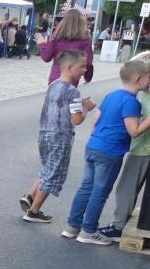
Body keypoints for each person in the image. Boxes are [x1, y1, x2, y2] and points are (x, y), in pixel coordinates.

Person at [64, 59, 150, 245]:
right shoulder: (132, 102)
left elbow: (97, 119)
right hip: (110, 152)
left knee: (86, 187)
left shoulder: (112, 94)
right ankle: (88, 231)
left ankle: (72, 226)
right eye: (149, 77)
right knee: (100, 192)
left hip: (94, 146)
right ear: (138, 79)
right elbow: (134, 131)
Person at [19, 49, 94, 223]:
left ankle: (30, 195)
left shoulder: (53, 85)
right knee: (53, 173)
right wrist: (86, 107)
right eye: (82, 66)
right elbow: (77, 119)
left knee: (47, 168)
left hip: (44, 133)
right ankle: (34, 211)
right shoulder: (73, 92)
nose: (84, 70)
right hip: (60, 136)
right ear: (70, 67)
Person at [103, 52, 150, 237]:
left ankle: (118, 226)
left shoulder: (149, 94)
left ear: (148, 73)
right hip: (147, 146)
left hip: (142, 147)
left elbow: (145, 122)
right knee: (130, 187)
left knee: (126, 188)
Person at [35, 9, 95, 84]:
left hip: (55, 78)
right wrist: (88, 77)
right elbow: (88, 61)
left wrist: (42, 44)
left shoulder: (56, 36)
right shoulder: (85, 38)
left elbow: (46, 57)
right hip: (72, 78)